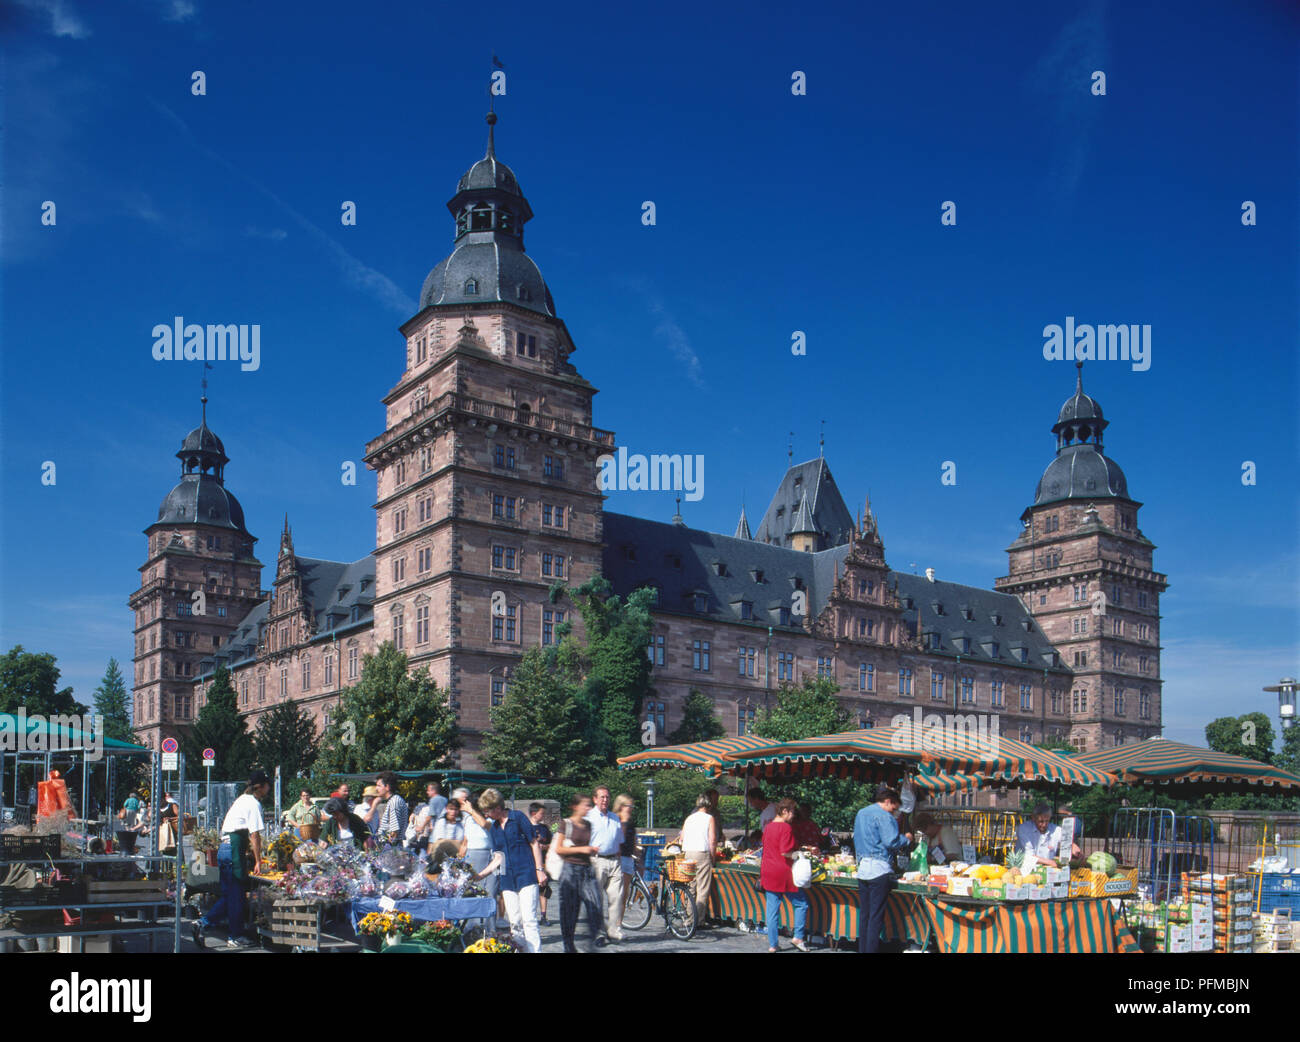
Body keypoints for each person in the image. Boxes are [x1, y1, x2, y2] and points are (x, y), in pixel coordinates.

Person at [193, 771, 270, 950]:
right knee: (236, 897)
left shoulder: (242, 799)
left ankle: (204, 924)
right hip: (233, 852)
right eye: (267, 784)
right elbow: (255, 836)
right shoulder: (253, 803)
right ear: (261, 786)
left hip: (224, 850)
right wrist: (258, 860)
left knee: (231, 896)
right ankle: (233, 935)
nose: (268, 788)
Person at [475, 788, 545, 953]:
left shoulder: (518, 817)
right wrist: (480, 875)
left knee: (529, 920)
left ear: (497, 807)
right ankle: (521, 950)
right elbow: (498, 858)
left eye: (487, 811)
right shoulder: (494, 828)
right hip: (507, 879)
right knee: (514, 922)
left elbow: (534, 843)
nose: (486, 815)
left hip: (527, 875)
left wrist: (539, 870)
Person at [854, 787, 912, 954]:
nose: (894, 813)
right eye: (894, 808)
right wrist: (906, 839)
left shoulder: (861, 813)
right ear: (888, 801)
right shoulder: (885, 816)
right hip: (879, 870)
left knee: (865, 915)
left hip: (863, 868)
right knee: (875, 917)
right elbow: (891, 841)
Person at [554, 794, 603, 953]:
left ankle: (591, 943)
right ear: (575, 807)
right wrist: (582, 849)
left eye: (589, 805)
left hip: (587, 870)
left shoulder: (588, 825)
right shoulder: (566, 824)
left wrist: (592, 850)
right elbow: (559, 849)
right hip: (570, 870)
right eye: (585, 805)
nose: (588, 808)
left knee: (595, 906)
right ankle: (568, 946)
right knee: (570, 911)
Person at [760, 798, 809, 953]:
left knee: (772, 910)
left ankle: (773, 945)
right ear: (785, 811)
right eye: (792, 812)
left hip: (768, 870)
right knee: (801, 903)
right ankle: (798, 937)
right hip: (783, 872)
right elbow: (785, 852)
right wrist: (798, 853)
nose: (793, 816)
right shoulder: (786, 828)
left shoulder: (768, 827)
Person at [585, 786, 625, 943]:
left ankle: (613, 930)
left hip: (614, 860)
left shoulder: (615, 817)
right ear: (595, 799)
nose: (605, 800)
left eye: (607, 797)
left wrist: (619, 859)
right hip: (597, 860)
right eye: (602, 797)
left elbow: (619, 841)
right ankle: (598, 932)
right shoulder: (589, 817)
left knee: (617, 897)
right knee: (596, 899)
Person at [457, 788, 498, 928]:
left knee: (490, 894)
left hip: (488, 857)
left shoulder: (489, 819)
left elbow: (485, 825)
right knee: (472, 894)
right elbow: (465, 841)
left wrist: (471, 810)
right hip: (472, 857)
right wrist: (458, 860)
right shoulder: (468, 819)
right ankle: (472, 929)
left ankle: (490, 929)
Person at [680, 794, 716, 927]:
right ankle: (699, 920)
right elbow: (712, 840)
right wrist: (713, 857)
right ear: (709, 805)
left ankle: (688, 919)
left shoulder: (689, 818)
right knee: (703, 889)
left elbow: (681, 837)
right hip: (702, 853)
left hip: (688, 853)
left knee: (691, 887)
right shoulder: (709, 818)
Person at [1014, 804, 1083, 867]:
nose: (1044, 825)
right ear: (1033, 818)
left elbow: (1066, 841)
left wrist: (1073, 847)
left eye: (1047, 821)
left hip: (1048, 870)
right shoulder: (1024, 829)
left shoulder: (1056, 829)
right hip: (1025, 869)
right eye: (1041, 821)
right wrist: (1051, 862)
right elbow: (1029, 855)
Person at [614, 795, 638, 918]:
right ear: (622, 806)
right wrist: (624, 822)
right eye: (630, 806)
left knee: (625, 894)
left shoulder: (630, 822)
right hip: (618, 858)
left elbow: (634, 841)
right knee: (617, 894)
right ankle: (611, 923)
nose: (632, 808)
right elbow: (619, 840)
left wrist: (639, 858)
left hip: (628, 858)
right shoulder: (615, 820)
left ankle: (618, 924)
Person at [528, 803, 553, 923]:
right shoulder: (526, 827)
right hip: (529, 863)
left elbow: (552, 844)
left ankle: (543, 915)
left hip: (542, 863)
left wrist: (545, 846)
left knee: (544, 889)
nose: (543, 815)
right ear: (534, 813)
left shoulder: (544, 828)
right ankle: (530, 916)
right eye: (541, 813)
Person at [374, 771, 408, 845]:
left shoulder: (394, 802)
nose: (376, 789)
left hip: (391, 847)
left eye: (379, 786)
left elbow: (394, 831)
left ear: (387, 787)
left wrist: (388, 849)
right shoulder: (394, 800)